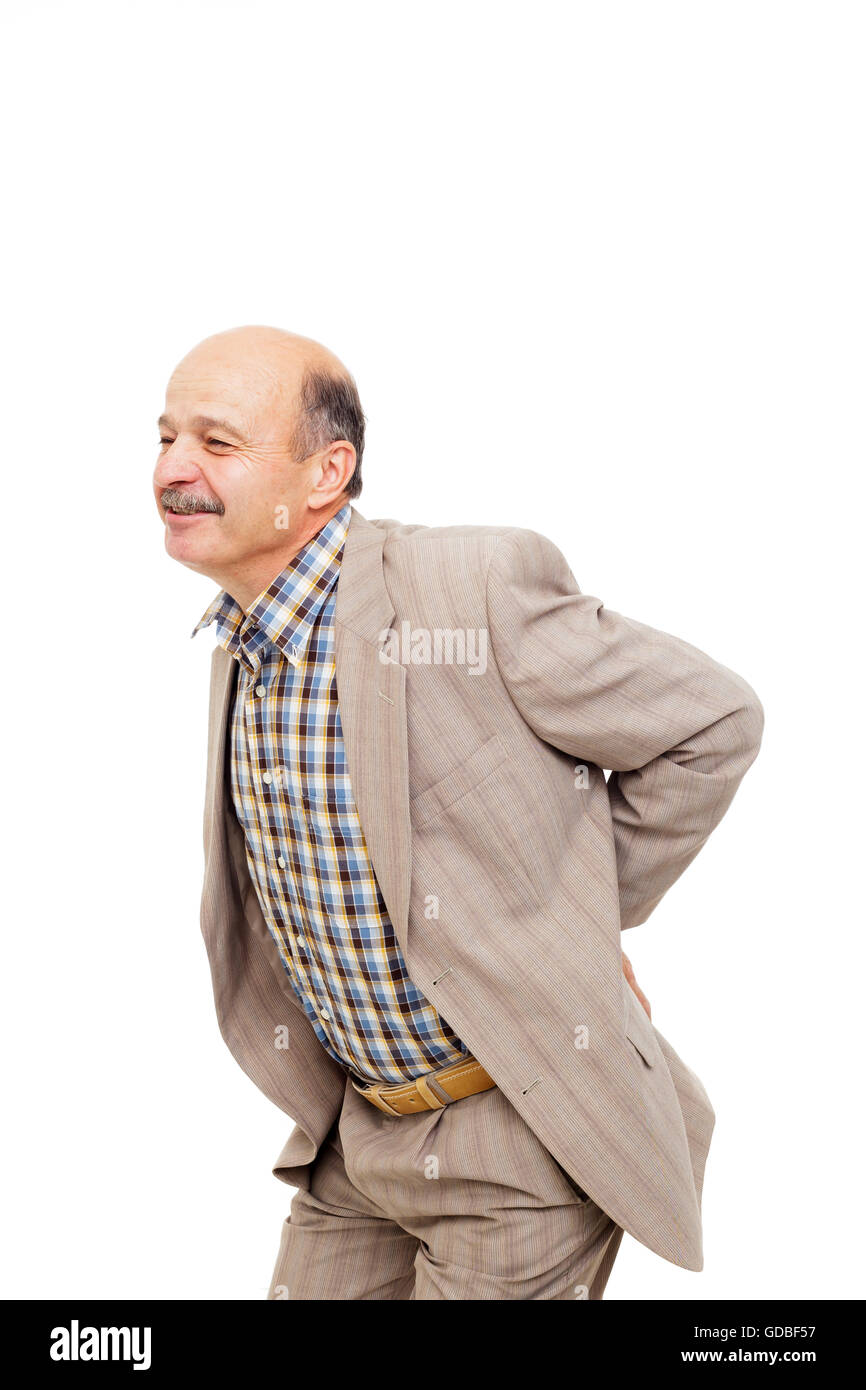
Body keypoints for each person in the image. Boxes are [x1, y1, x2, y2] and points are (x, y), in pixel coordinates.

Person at [154, 324, 763, 1300]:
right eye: (166, 436)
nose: (174, 468)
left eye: (216, 443)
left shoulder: (466, 589)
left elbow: (708, 722)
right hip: (357, 1140)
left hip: (514, 1143)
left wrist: (580, 919)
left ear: (325, 473)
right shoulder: (243, 641)